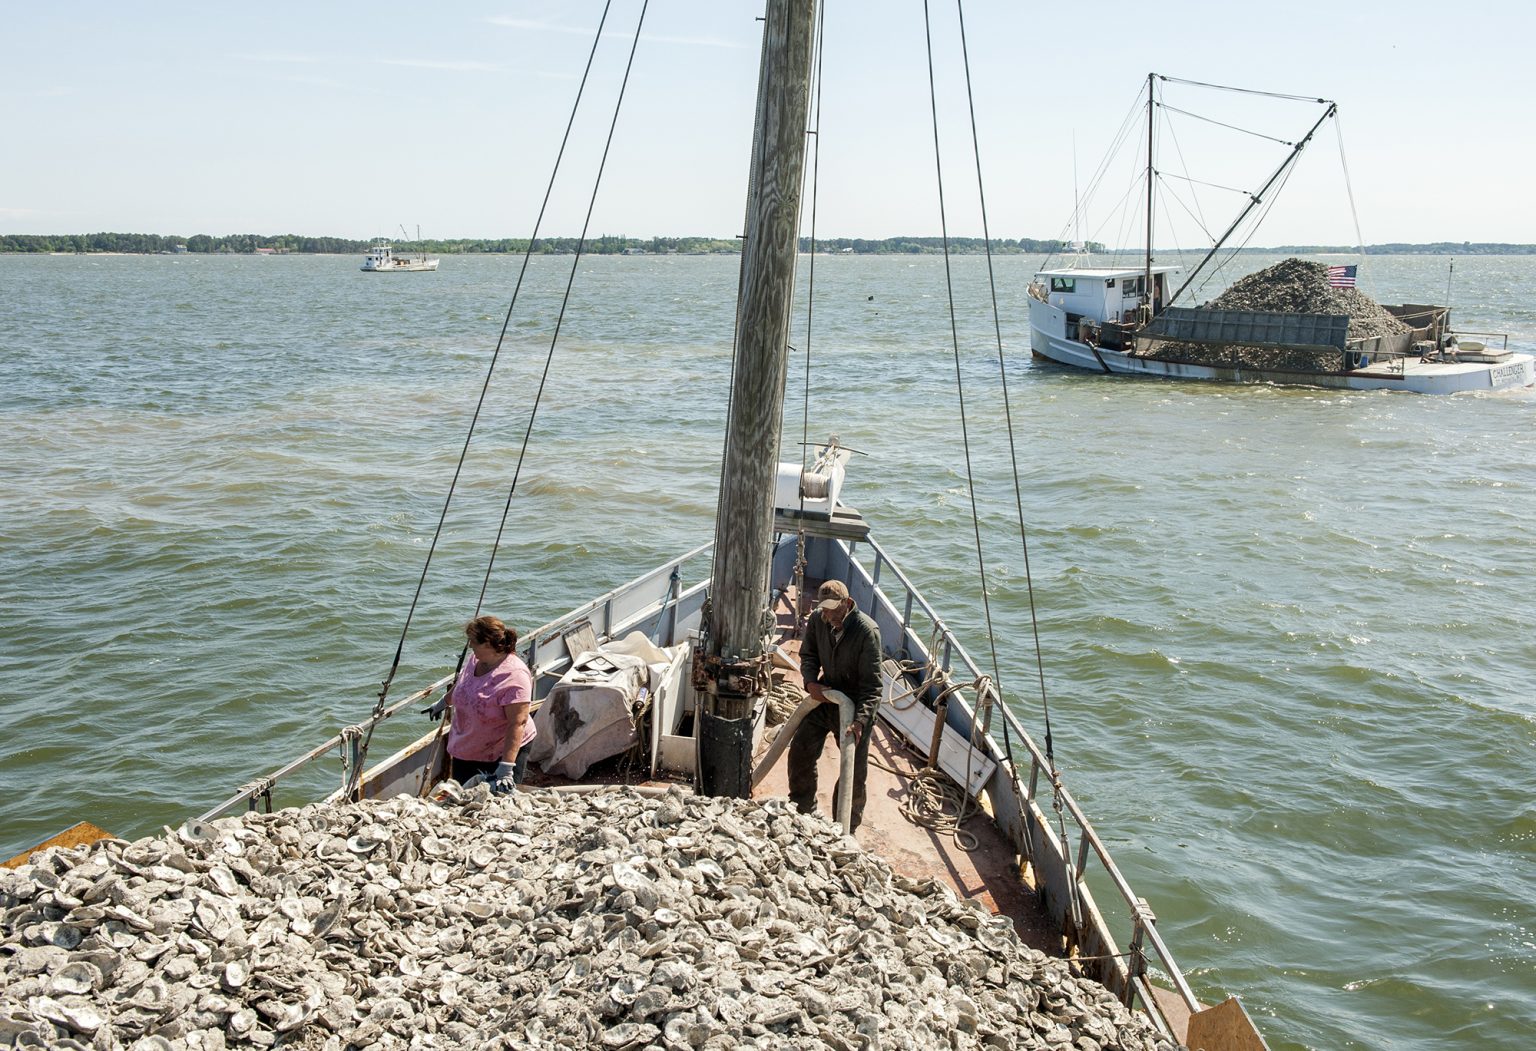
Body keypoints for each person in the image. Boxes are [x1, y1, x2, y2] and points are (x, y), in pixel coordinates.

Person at [789, 579, 883, 831]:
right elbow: (808, 655)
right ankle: (801, 807)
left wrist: (861, 721)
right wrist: (810, 684)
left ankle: (846, 827)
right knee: (800, 751)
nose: (829, 615)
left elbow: (872, 688)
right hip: (826, 696)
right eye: (825, 609)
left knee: (853, 770)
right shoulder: (819, 620)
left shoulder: (866, 632)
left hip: (854, 705)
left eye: (834, 609)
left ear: (848, 603)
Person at [441, 615, 536, 794]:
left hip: (499, 751)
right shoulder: (475, 660)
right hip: (467, 746)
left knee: (497, 798)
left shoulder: (514, 676)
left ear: (487, 644)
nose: (469, 646)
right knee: (462, 795)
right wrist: (444, 701)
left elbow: (518, 723)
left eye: (473, 641)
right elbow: (464, 682)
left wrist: (506, 766)